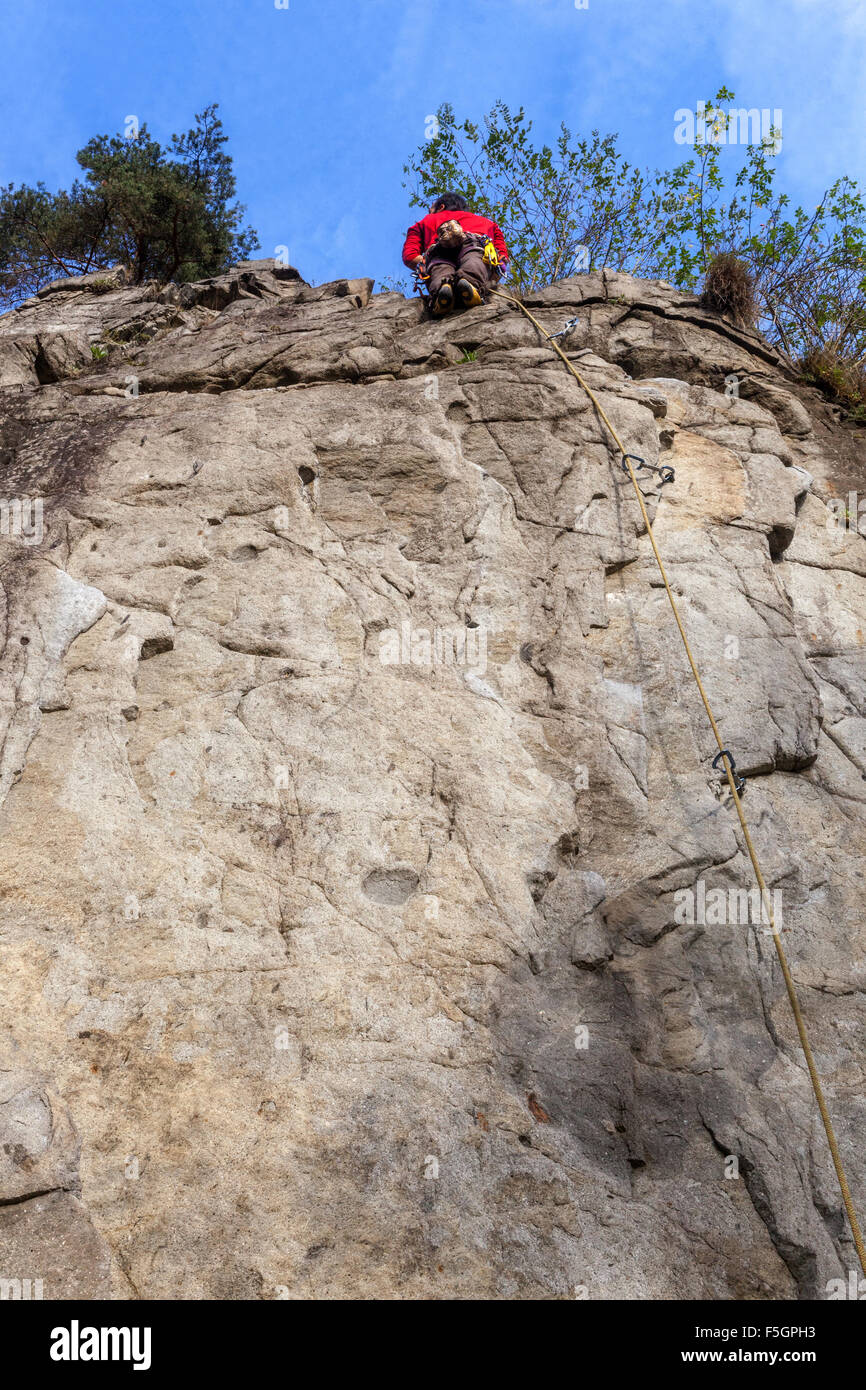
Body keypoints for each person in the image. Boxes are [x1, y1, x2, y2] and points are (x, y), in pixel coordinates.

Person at [402, 193, 509, 316]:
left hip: (437, 251)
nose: (429, 212)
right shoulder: (487, 223)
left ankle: (443, 290)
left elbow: (409, 256)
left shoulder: (424, 222)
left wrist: (426, 265)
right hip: (474, 244)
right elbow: (502, 257)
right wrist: (493, 275)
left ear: (441, 207)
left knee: (440, 269)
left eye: (430, 208)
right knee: (474, 261)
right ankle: (469, 282)